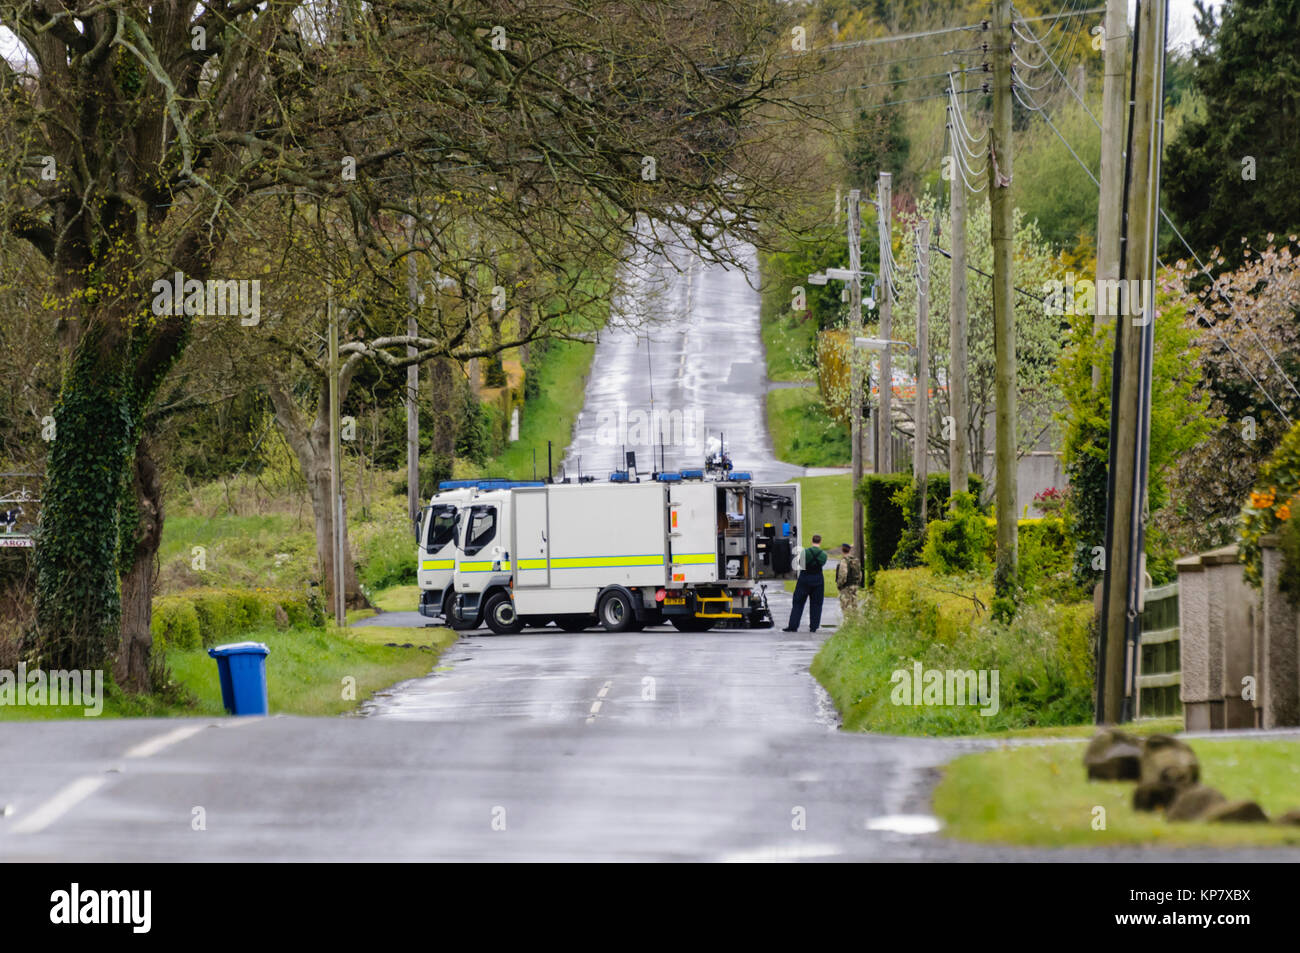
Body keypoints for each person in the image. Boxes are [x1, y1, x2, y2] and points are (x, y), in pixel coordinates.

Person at [784, 534, 828, 632]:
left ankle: (793, 625)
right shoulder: (823, 555)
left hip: (804, 579)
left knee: (798, 603)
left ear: (812, 541)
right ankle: (814, 626)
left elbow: (800, 564)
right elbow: (822, 563)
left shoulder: (805, 552)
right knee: (816, 604)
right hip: (818, 580)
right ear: (820, 541)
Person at [835, 542, 862, 614]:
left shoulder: (844, 561)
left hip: (846, 588)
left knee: (846, 608)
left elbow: (843, 575)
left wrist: (839, 585)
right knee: (854, 607)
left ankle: (848, 624)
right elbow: (860, 574)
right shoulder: (855, 560)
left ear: (842, 550)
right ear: (849, 550)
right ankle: (854, 623)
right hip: (855, 586)